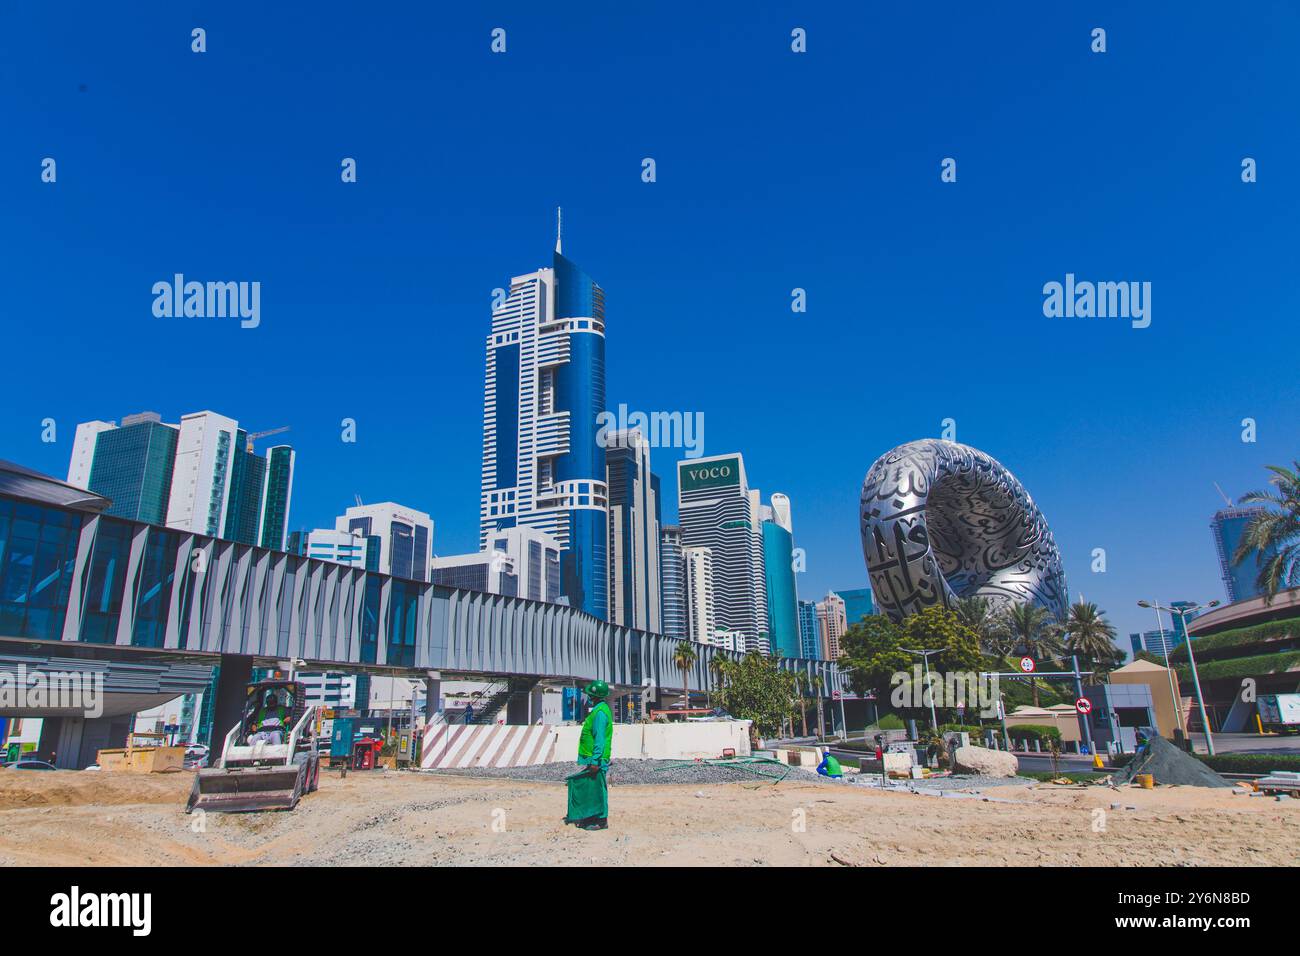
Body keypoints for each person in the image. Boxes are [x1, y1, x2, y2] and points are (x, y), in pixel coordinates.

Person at [565, 680, 612, 831]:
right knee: (591, 788)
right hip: (592, 757)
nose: (589, 696)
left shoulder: (600, 713)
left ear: (595, 695)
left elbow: (599, 739)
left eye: (591, 694)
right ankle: (591, 816)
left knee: (598, 788)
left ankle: (600, 820)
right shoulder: (599, 709)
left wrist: (595, 760)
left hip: (596, 758)